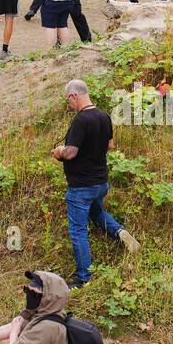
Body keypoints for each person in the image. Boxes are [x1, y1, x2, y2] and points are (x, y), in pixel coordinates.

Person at [52, 79, 138, 288]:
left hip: (81, 186)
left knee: (78, 229)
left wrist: (59, 152)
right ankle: (119, 232)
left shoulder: (81, 120)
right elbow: (109, 145)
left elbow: (71, 153)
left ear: (74, 96)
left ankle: (84, 279)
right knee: (96, 212)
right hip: (100, 182)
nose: (68, 105)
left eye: (68, 100)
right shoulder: (104, 116)